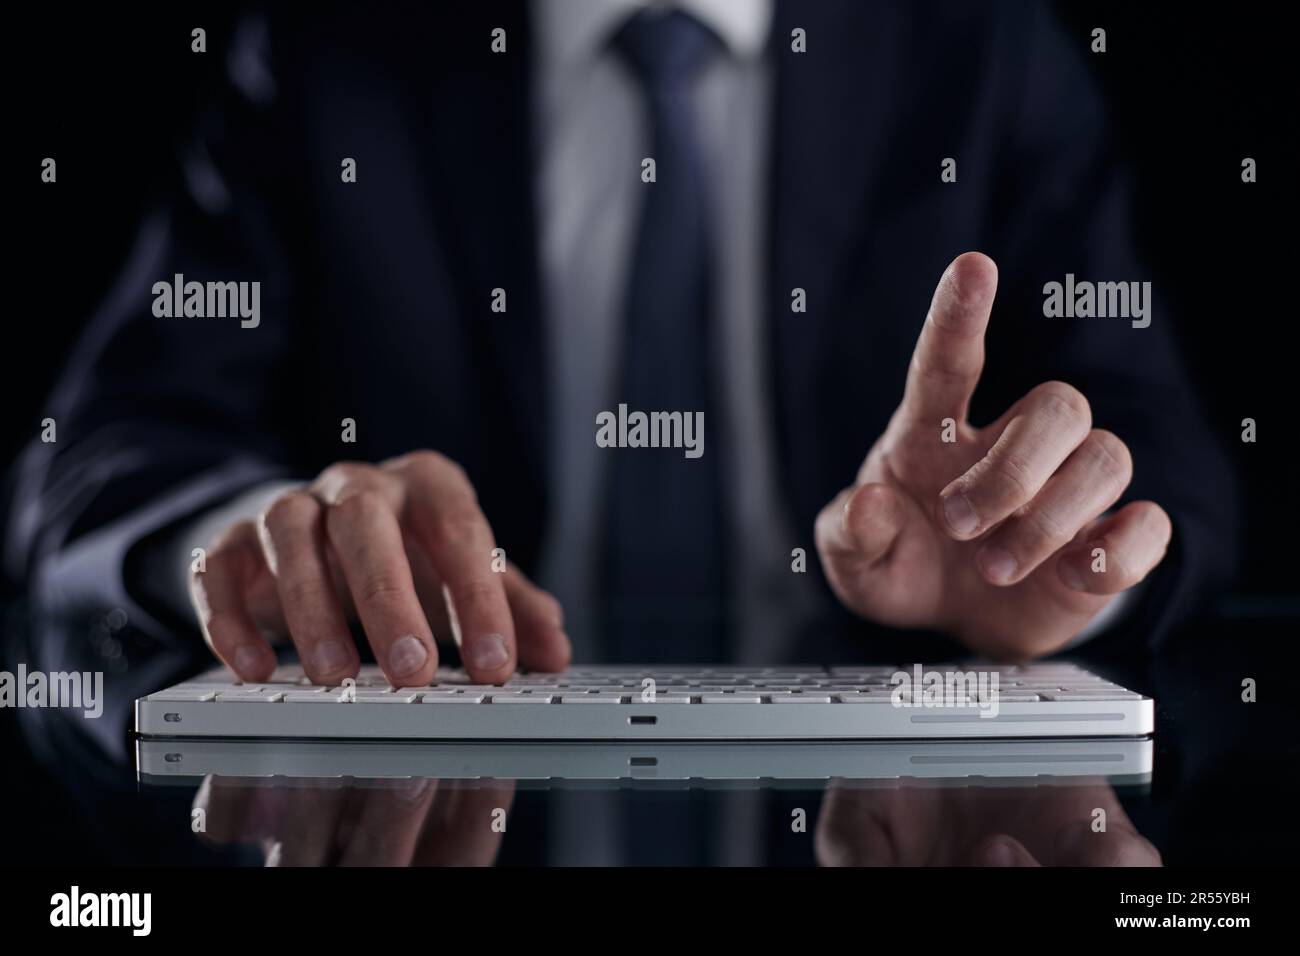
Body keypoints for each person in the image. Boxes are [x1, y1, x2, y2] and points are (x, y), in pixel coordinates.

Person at [8, 1, 1235, 689]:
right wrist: (279, 537)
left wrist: (1047, 569)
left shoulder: (981, 51)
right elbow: (100, 450)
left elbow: (1167, 465)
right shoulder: (335, 49)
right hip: (446, 761)